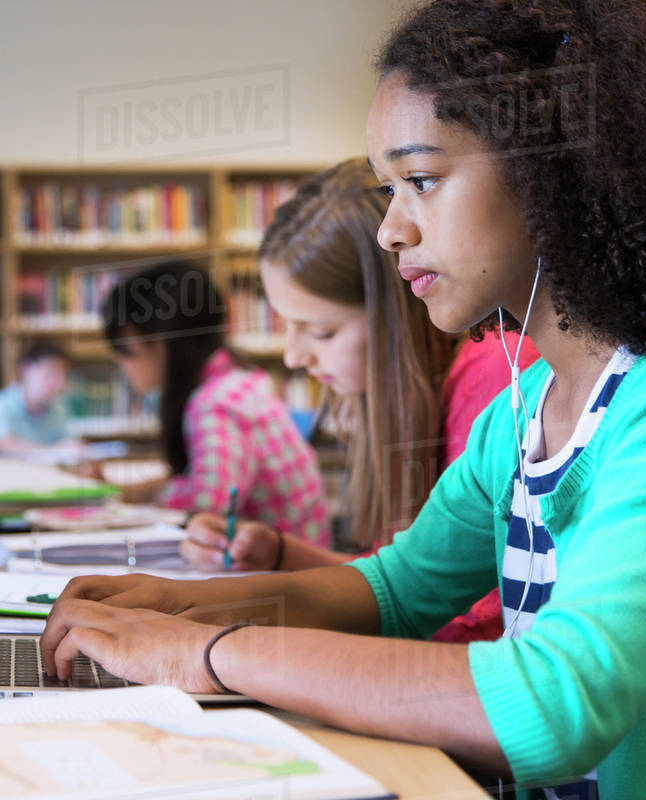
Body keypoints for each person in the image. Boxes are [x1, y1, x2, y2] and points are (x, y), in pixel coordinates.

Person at [39, 1, 646, 796]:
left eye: (420, 180)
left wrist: (207, 653)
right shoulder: (525, 409)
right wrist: (178, 609)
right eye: (389, 189)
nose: (390, 231)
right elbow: (394, 591)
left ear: (555, 175)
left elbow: (557, 704)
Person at [182, 159, 539, 644]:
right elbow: (403, 587)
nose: (292, 355)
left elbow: (467, 626)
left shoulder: (493, 375)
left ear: (399, 313)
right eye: (287, 327)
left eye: (321, 331)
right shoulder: (421, 393)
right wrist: (279, 555)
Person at [102, 260, 330, 543]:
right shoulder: (237, 379)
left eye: (125, 350)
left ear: (161, 343)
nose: (120, 364)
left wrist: (150, 493)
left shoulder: (215, 403)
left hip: (284, 575)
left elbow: (207, 506)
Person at [0, 341, 80, 458]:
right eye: (52, 374)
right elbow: (3, 446)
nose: (61, 384)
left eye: (63, 376)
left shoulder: (59, 406)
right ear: (26, 369)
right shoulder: (0, 403)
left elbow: (70, 443)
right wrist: (54, 451)